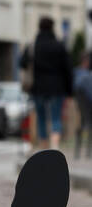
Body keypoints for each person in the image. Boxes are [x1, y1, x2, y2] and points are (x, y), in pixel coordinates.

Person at [19, 17, 74, 149]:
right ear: (52, 28)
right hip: (57, 87)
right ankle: (55, 145)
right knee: (56, 117)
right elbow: (68, 69)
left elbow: (22, 63)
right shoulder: (59, 46)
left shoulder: (33, 46)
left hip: (38, 87)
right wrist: (70, 90)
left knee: (41, 117)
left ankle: (44, 146)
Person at [73, 53, 92, 156]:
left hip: (82, 111)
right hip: (88, 112)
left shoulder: (75, 73)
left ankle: (78, 153)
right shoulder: (86, 76)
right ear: (86, 62)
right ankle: (88, 153)